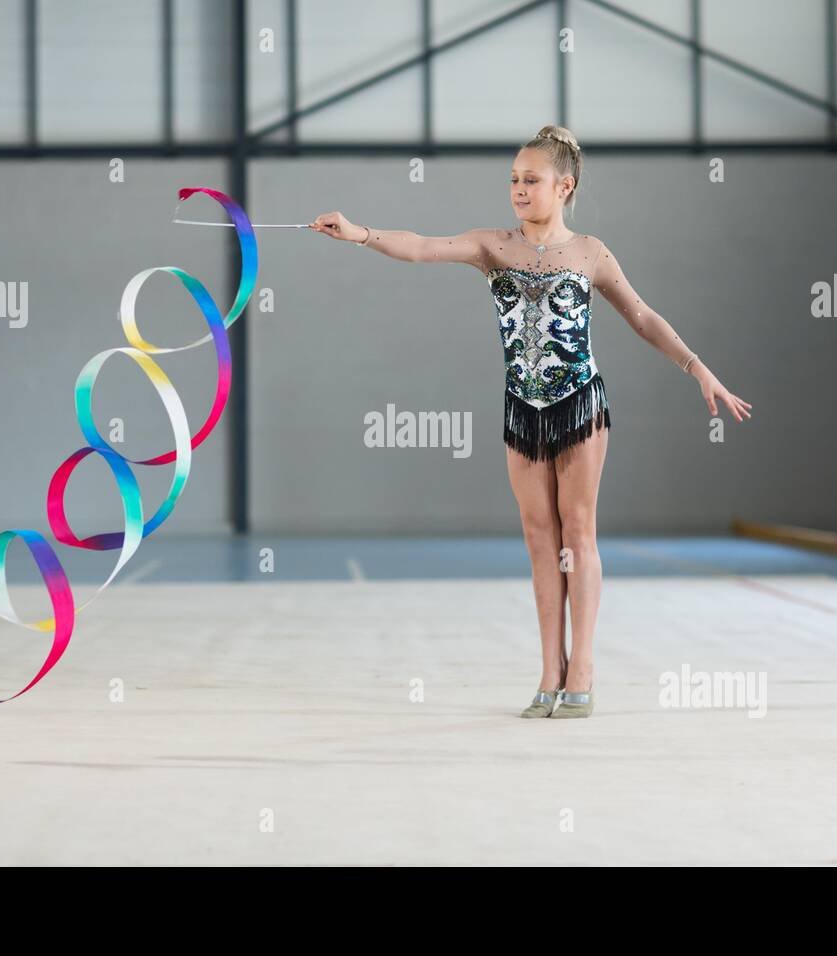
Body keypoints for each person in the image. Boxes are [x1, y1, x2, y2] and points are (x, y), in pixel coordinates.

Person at [310, 124, 752, 719]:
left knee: (578, 531)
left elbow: (642, 317)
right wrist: (359, 233)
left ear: (564, 186)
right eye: (513, 179)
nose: (518, 189)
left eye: (531, 180)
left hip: (578, 404)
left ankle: (583, 667)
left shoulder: (590, 253)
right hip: (522, 408)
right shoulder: (493, 246)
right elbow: (420, 246)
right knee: (539, 537)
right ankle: (550, 669)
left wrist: (698, 368)